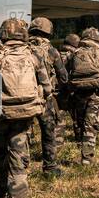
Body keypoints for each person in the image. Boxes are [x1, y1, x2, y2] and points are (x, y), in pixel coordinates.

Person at [0, 18, 50, 198]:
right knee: (18, 164)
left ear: (2, 34)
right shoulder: (33, 55)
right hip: (23, 116)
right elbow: (46, 86)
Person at [26, 16, 67, 174]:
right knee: (48, 130)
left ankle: (22, 164)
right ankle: (50, 166)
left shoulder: (23, 47)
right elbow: (63, 76)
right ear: (48, 31)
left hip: (25, 96)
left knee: (24, 130)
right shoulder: (51, 50)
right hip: (44, 96)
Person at [64, 26, 99, 165]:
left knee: (81, 122)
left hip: (78, 93)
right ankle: (87, 158)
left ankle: (79, 145)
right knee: (91, 125)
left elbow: (65, 72)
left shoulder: (75, 52)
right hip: (95, 93)